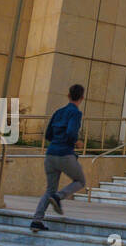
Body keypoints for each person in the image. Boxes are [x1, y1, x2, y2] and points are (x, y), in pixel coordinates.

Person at [30, 84, 86, 232]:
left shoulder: (58, 112)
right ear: (82, 98)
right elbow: (71, 132)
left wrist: (58, 139)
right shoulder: (76, 113)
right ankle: (59, 196)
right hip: (64, 154)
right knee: (80, 181)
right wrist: (76, 142)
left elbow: (48, 134)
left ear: (68, 96)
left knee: (49, 189)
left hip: (50, 155)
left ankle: (36, 221)